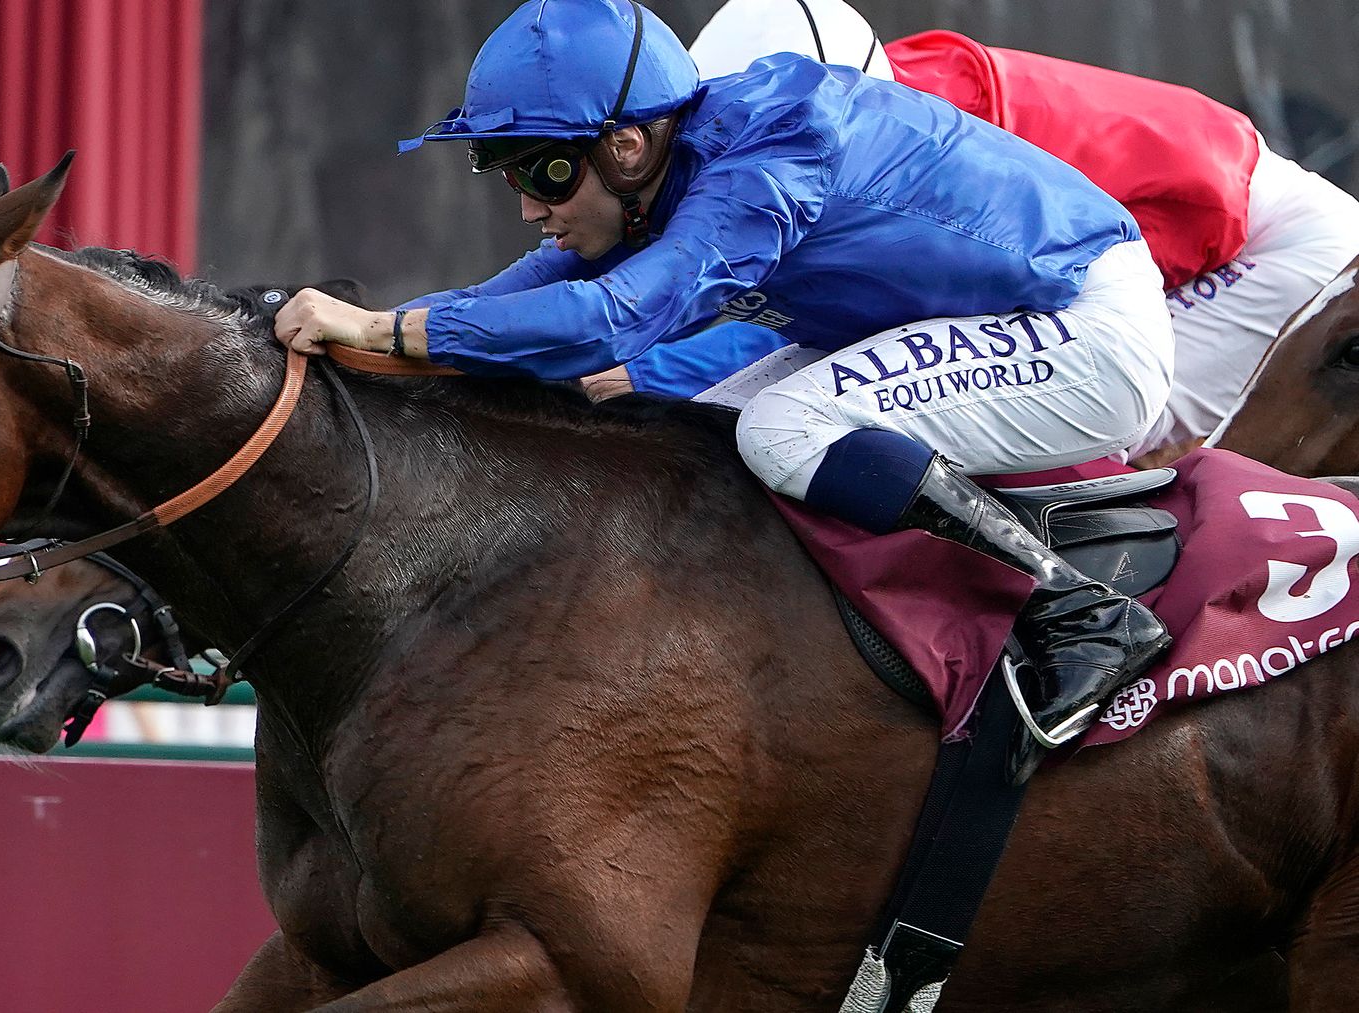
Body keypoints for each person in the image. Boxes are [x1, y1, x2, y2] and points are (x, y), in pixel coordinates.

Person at [272, 0, 1175, 749]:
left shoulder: (770, 151)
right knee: (681, 421)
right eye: (504, 169)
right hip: (980, 318)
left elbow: (617, 318)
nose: (527, 204)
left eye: (541, 169)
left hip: (1082, 323)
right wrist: (383, 341)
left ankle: (1079, 609)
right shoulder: (669, 166)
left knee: (782, 429)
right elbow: (531, 287)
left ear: (627, 144)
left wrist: (393, 330)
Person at [679, 0, 1359, 463]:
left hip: (1268, 240)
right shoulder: (869, 113)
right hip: (1219, 217)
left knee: (1073, 405)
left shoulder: (917, 139)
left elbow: (1198, 202)